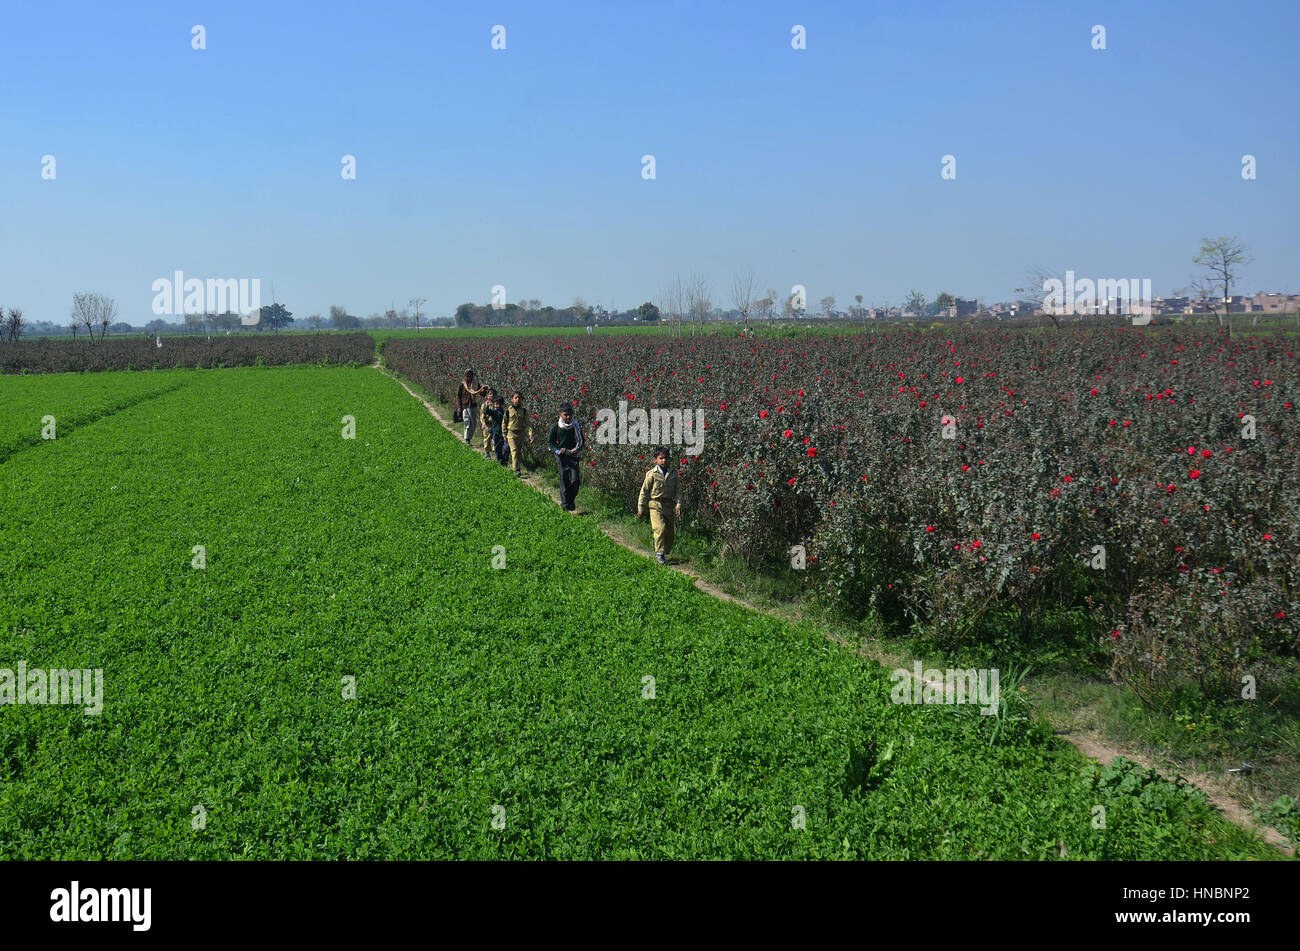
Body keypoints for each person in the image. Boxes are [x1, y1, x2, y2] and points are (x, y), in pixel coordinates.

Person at [638, 446, 683, 564]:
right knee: (660, 529)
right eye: (661, 458)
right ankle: (660, 553)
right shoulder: (652, 474)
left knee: (669, 531)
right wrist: (641, 507)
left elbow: (678, 490)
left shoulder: (673, 474)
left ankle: (665, 551)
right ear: (655, 460)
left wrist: (678, 505)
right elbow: (644, 491)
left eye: (666, 458)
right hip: (655, 505)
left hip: (669, 505)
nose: (664, 460)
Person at [546, 402, 584, 511]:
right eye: (565, 415)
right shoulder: (556, 427)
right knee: (564, 479)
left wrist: (576, 449)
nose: (568, 417)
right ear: (560, 415)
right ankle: (565, 505)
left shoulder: (575, 426)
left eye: (570, 414)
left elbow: (581, 441)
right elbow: (550, 443)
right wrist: (558, 451)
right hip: (561, 455)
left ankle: (570, 500)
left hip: (573, 455)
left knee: (575, 481)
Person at [502, 391, 534, 476]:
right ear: (512, 399)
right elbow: (504, 423)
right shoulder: (508, 411)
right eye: (515, 397)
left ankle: (516, 466)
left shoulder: (523, 411)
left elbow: (528, 424)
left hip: (520, 433)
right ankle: (516, 469)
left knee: (518, 452)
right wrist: (504, 434)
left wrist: (530, 434)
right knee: (514, 451)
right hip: (511, 433)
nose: (517, 399)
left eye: (519, 398)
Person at [456, 369, 483, 444]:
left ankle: (469, 437)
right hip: (465, 406)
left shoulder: (475, 384)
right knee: (467, 422)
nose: (469, 378)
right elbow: (458, 396)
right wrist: (459, 407)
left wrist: (484, 390)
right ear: (465, 376)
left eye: (470, 376)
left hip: (473, 406)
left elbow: (481, 392)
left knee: (473, 423)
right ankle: (467, 439)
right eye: (467, 376)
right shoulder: (462, 385)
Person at [479, 388, 501, 458]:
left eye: (493, 394)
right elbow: (482, 416)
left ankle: (496, 453)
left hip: (495, 424)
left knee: (495, 439)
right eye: (490, 394)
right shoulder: (484, 405)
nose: (492, 396)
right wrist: (484, 424)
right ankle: (487, 452)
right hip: (487, 424)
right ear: (487, 396)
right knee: (487, 438)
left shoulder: (496, 405)